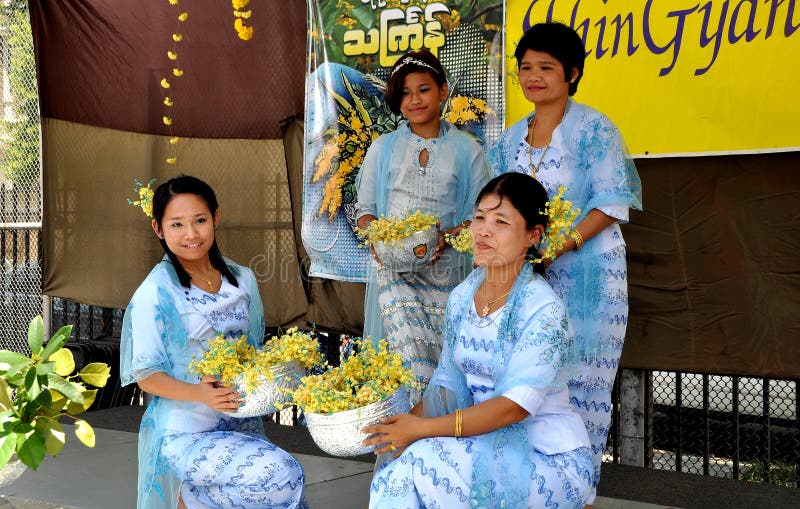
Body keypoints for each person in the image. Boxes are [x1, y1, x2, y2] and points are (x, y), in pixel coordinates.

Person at [363, 173, 593, 508]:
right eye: (480, 218)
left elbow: (514, 406)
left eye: (500, 221)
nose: (483, 230)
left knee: (419, 461)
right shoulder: (462, 296)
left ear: (533, 235)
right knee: (400, 461)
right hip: (484, 441)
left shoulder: (542, 308)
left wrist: (422, 431)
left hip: (545, 455)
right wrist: (397, 426)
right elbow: (447, 385)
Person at [487, 22, 643, 506]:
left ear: (572, 73)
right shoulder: (509, 140)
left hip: (591, 282)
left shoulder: (595, 129)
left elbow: (612, 201)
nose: (533, 77)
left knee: (584, 387)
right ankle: (530, 491)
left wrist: (560, 245)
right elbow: (498, 204)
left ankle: (580, 493)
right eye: (525, 68)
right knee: (529, 384)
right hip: (528, 283)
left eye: (546, 68)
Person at [120, 175, 307, 509]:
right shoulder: (155, 292)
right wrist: (198, 393)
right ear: (158, 229)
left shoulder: (243, 280)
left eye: (200, 221)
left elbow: (253, 354)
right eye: (177, 224)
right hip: (186, 431)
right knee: (284, 476)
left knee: (274, 498)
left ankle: (196, 500)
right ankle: (190, 498)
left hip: (241, 420)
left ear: (216, 218)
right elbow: (146, 374)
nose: (191, 234)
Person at [355, 49, 490, 404]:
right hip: (394, 274)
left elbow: (481, 215)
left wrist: (443, 239)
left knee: (441, 366)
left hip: (446, 274)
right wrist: (378, 239)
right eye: (405, 92)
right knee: (403, 366)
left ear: (443, 91)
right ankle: (396, 450)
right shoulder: (383, 148)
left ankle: (436, 448)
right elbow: (365, 211)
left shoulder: (467, 149)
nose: (414, 99)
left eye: (424, 89)